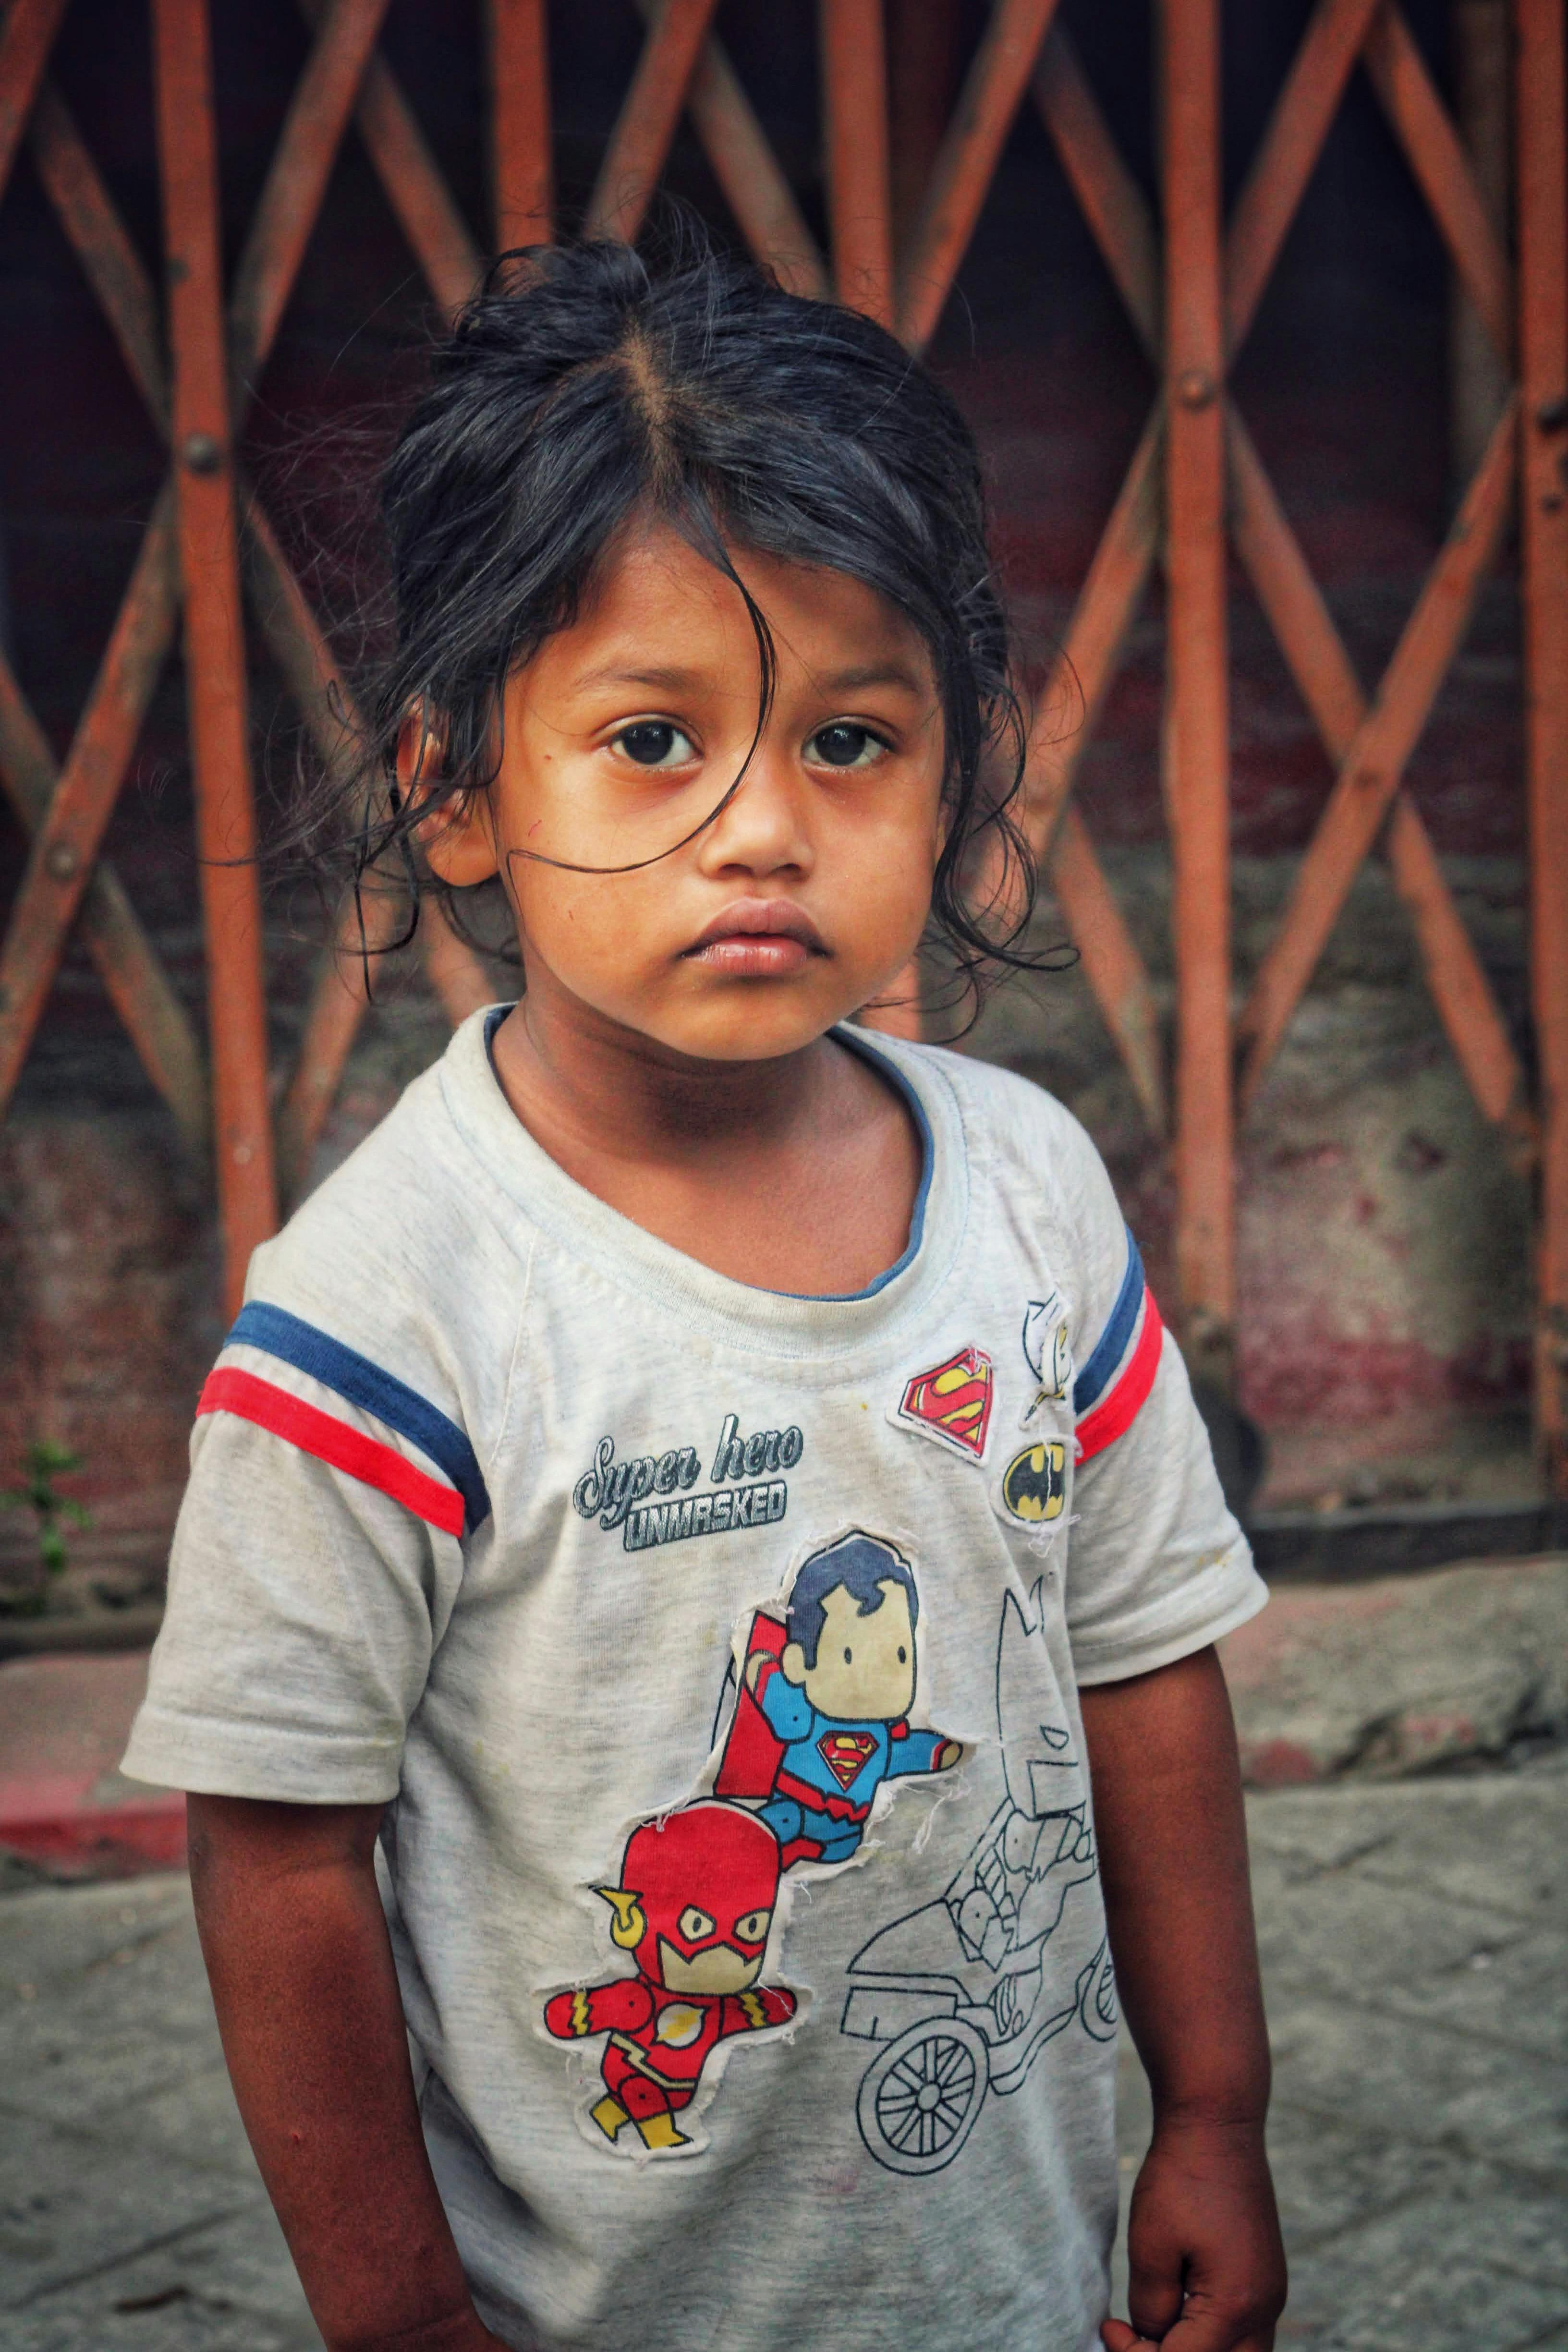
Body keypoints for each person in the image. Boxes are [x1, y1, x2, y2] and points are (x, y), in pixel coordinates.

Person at [123, 233, 1286, 2352]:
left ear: (957, 770)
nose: (762, 828)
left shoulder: (1025, 1190)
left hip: (1018, 2275)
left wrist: (1214, 2108)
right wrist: (398, 2327)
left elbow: (1145, 1663)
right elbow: (280, 1855)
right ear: (453, 790)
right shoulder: (382, 1317)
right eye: (654, 737)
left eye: (852, 738)